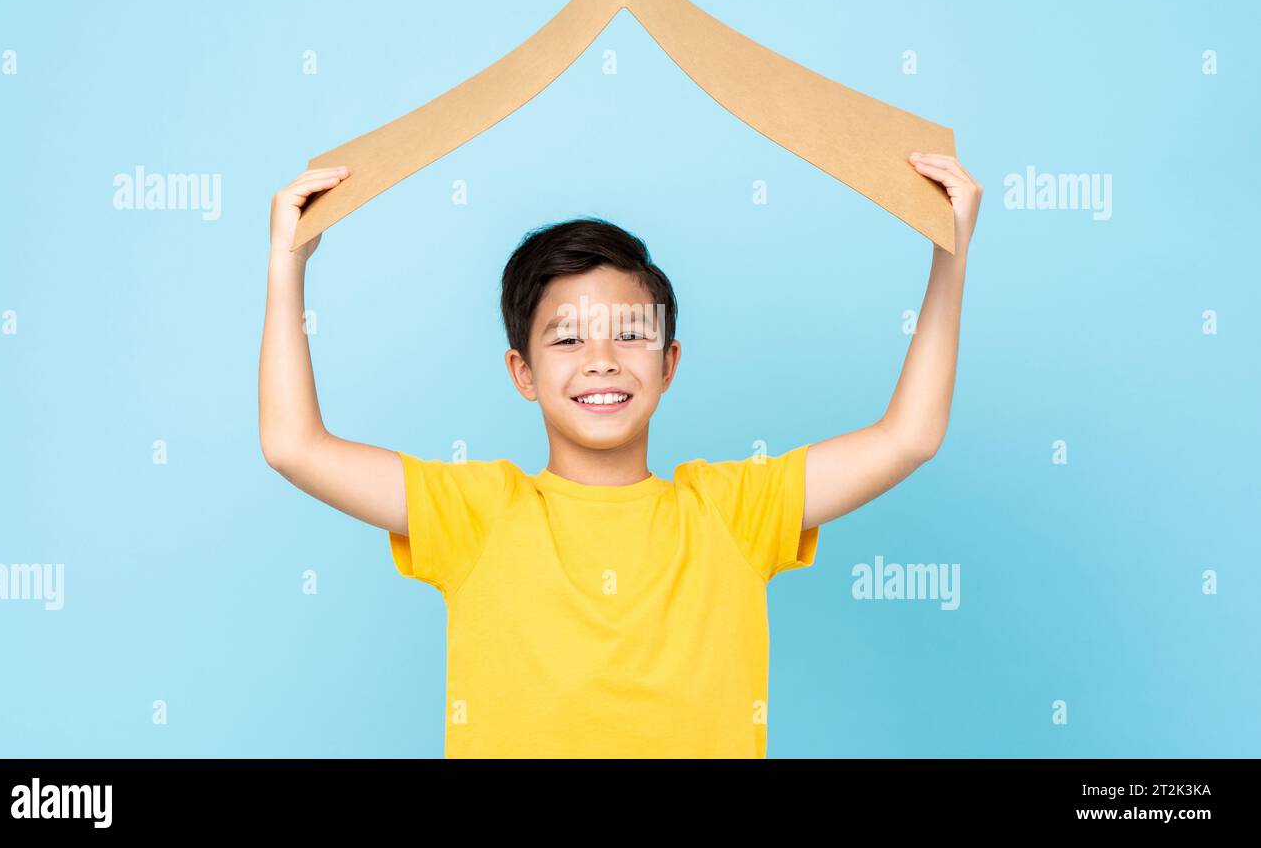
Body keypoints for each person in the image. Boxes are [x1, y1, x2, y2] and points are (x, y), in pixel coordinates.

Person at [258, 153, 982, 757]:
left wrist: (949, 254)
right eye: (568, 338)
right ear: (523, 373)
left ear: (668, 363)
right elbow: (294, 446)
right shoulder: (475, 512)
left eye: (629, 334)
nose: (601, 360)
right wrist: (285, 267)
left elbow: (908, 435)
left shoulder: (732, 509)